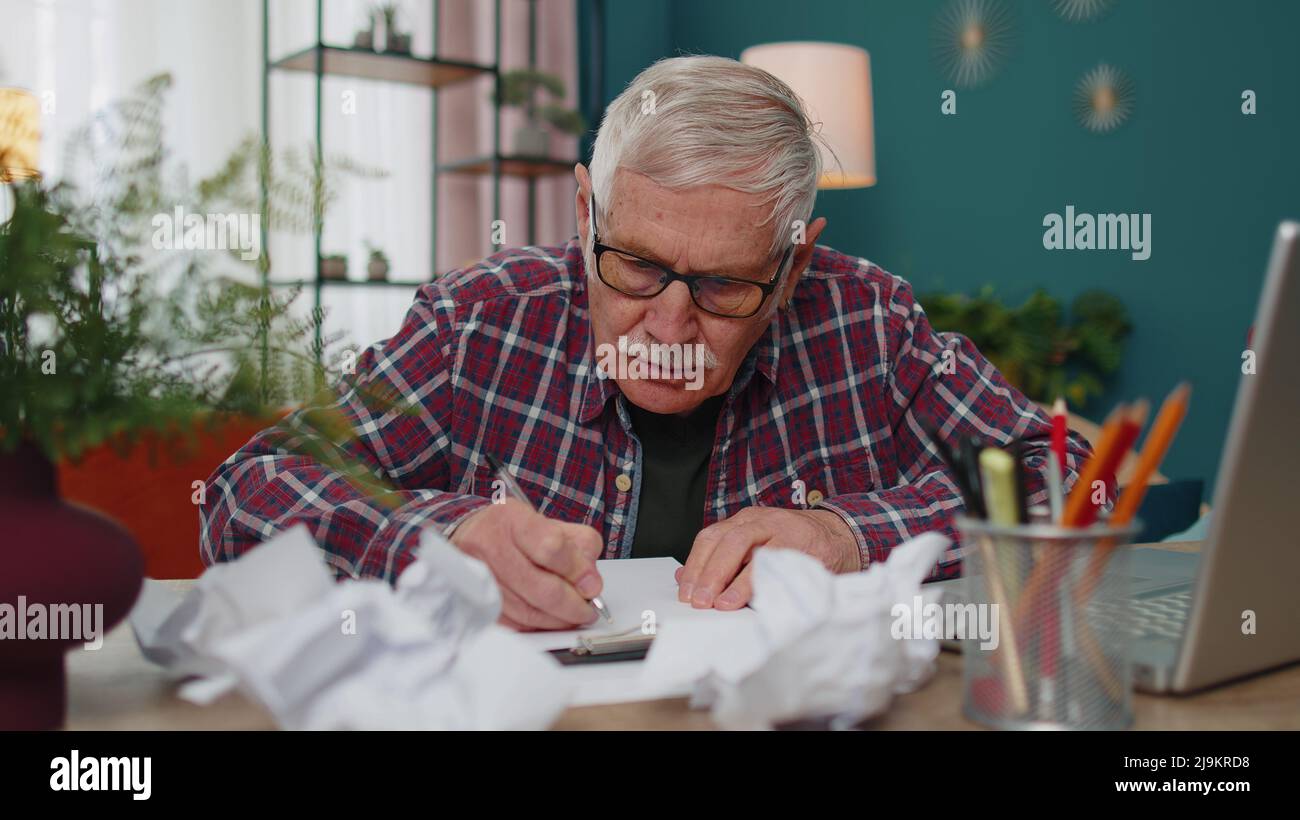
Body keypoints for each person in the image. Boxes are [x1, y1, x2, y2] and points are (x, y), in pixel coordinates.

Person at [201, 55, 1092, 631]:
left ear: (792, 267)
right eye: (633, 265)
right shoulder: (478, 323)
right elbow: (246, 493)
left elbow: (1072, 478)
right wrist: (442, 538)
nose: (669, 326)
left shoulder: (867, 321)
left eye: (725, 286)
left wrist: (849, 536)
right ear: (586, 212)